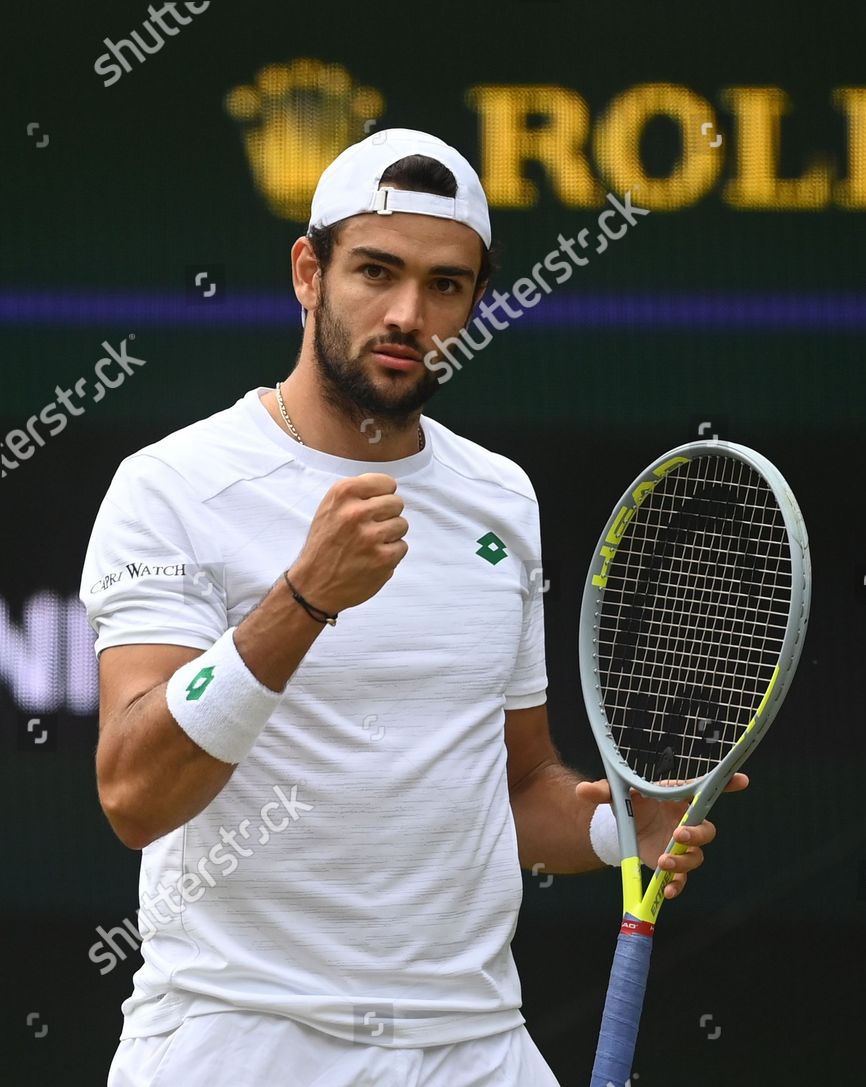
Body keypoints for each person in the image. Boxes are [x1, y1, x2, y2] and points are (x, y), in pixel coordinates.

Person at [80, 128, 743, 1086]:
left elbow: (513, 790)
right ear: (308, 272)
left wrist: (618, 831)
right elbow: (133, 795)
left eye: (446, 286)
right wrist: (305, 598)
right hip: (240, 1041)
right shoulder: (171, 485)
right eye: (375, 272)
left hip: (476, 1049)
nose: (407, 313)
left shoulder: (500, 499)